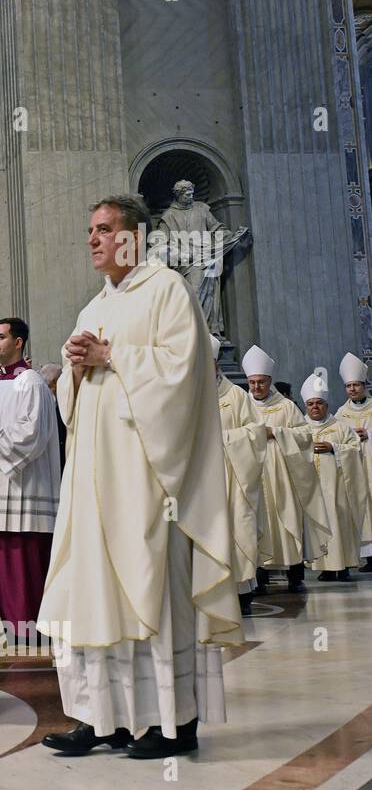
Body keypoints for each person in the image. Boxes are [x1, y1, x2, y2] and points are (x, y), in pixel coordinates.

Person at [38, 193, 242, 760]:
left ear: (135, 236)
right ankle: (101, 717)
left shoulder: (167, 291)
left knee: (150, 588)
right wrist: (74, 372)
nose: (93, 239)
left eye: (104, 229)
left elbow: (185, 372)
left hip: (150, 480)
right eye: (90, 230)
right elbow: (72, 408)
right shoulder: (90, 308)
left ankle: (170, 721)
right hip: (93, 482)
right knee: (95, 593)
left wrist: (114, 356)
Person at [0, 317, 60, 636]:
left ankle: (25, 627)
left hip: (20, 491)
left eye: (1, 337)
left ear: (19, 342)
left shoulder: (31, 383)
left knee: (20, 560)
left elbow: (31, 433)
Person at [243, 345, 330, 594]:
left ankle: (295, 576)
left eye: (261, 382)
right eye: (252, 382)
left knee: (288, 520)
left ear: (270, 381)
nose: (256, 387)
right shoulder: (243, 405)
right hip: (254, 474)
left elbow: (304, 436)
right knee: (257, 523)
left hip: (284, 475)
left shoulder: (286, 407)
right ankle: (259, 578)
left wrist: (276, 432)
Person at [211, 338, 268, 617]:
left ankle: (242, 593)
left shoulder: (236, 396)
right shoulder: (186, 392)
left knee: (236, 529)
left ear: (215, 364)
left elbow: (256, 433)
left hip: (233, 476)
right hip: (201, 480)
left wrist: (223, 440)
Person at [299, 367, 370, 583]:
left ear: (326, 405)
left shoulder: (340, 426)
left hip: (338, 488)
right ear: (306, 406)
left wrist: (334, 448)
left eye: (319, 403)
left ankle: (345, 566)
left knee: (340, 524)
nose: (315, 407)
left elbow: (355, 449)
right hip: (312, 490)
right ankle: (326, 568)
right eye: (311, 404)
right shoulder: (300, 428)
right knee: (318, 525)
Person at [333, 352, 372, 573]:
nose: (352, 390)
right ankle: (363, 556)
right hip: (354, 468)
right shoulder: (341, 414)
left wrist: (369, 435)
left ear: (364, 385)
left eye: (356, 385)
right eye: (349, 386)